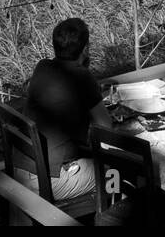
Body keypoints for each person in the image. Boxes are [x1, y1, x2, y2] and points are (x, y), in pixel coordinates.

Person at [23, 17, 113, 201]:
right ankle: (114, 213)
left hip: (21, 168)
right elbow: (106, 127)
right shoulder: (82, 77)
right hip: (47, 179)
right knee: (116, 171)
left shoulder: (42, 66)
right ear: (86, 48)